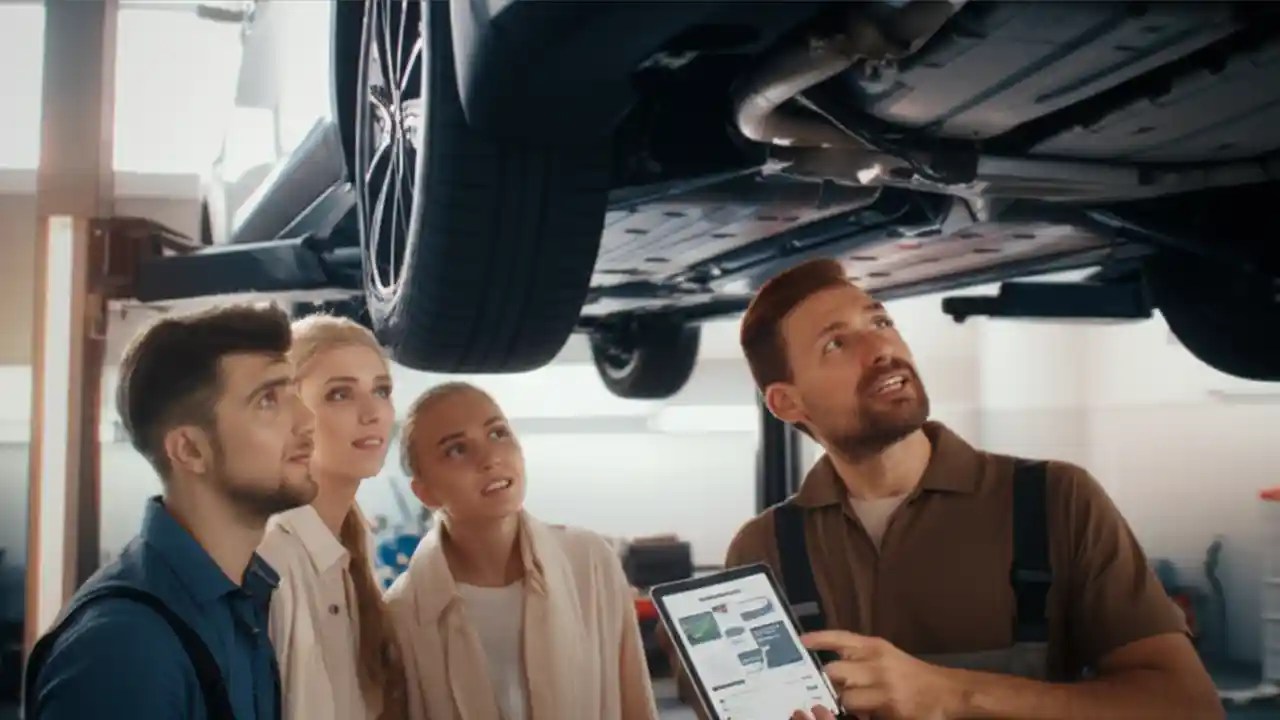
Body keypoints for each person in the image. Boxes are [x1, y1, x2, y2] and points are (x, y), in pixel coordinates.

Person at [722, 258, 1224, 720]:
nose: (882, 350)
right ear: (788, 403)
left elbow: (1189, 706)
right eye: (836, 344)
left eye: (880, 322)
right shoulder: (763, 549)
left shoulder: (1055, 500)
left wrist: (952, 693)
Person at [24, 303, 318, 720]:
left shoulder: (244, 601)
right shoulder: (124, 647)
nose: (307, 421)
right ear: (190, 450)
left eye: (295, 395)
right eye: (268, 400)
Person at [384, 381, 660, 720]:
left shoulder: (588, 561)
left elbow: (636, 703)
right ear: (425, 493)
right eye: (456, 449)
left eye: (498, 433)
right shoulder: (402, 613)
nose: (490, 458)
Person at [256, 315, 406, 720]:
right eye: (340, 394)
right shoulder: (271, 557)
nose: (372, 412)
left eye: (381, 390)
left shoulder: (346, 552)